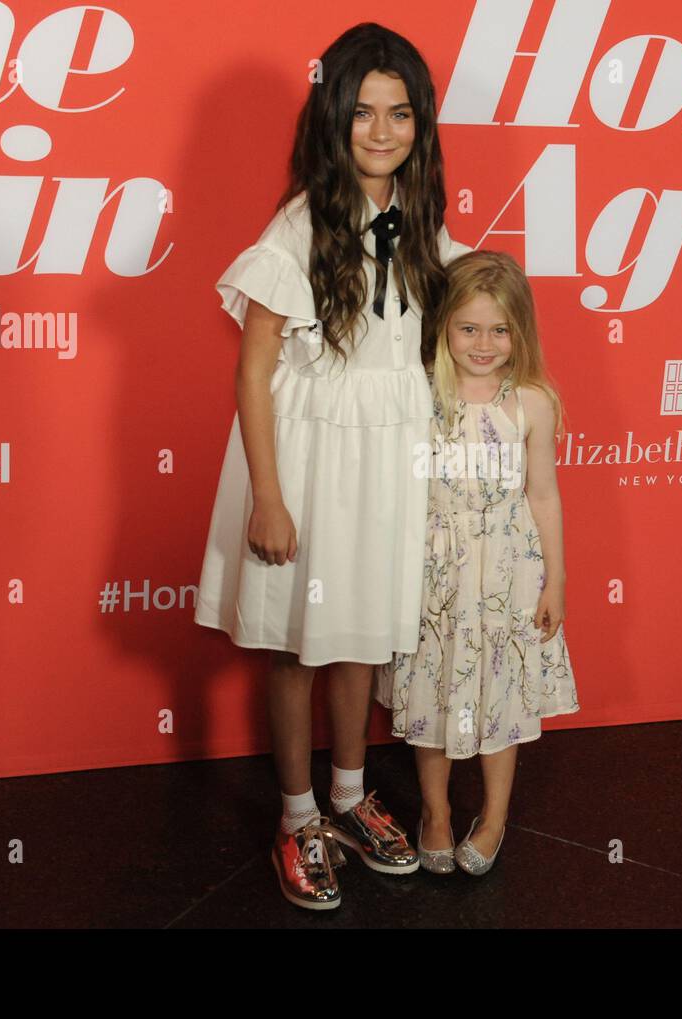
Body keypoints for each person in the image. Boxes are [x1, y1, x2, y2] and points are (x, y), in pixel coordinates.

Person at [194, 23, 473, 910]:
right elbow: (253, 369)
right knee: (296, 646)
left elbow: (455, 322)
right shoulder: (299, 224)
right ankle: (297, 815)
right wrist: (268, 497)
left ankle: (351, 799)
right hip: (308, 462)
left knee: (357, 634)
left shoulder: (421, 223)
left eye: (399, 114)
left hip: (384, 464)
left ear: (421, 126)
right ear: (332, 119)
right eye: (361, 113)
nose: (381, 131)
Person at [375, 250, 578, 876]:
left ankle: (493, 817)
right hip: (435, 572)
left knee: (504, 699)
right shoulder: (421, 394)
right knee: (435, 693)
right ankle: (434, 812)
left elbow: (541, 493)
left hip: (509, 571)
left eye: (499, 329)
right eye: (469, 328)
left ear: (520, 330)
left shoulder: (533, 402)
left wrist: (556, 578)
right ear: (444, 328)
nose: (484, 343)